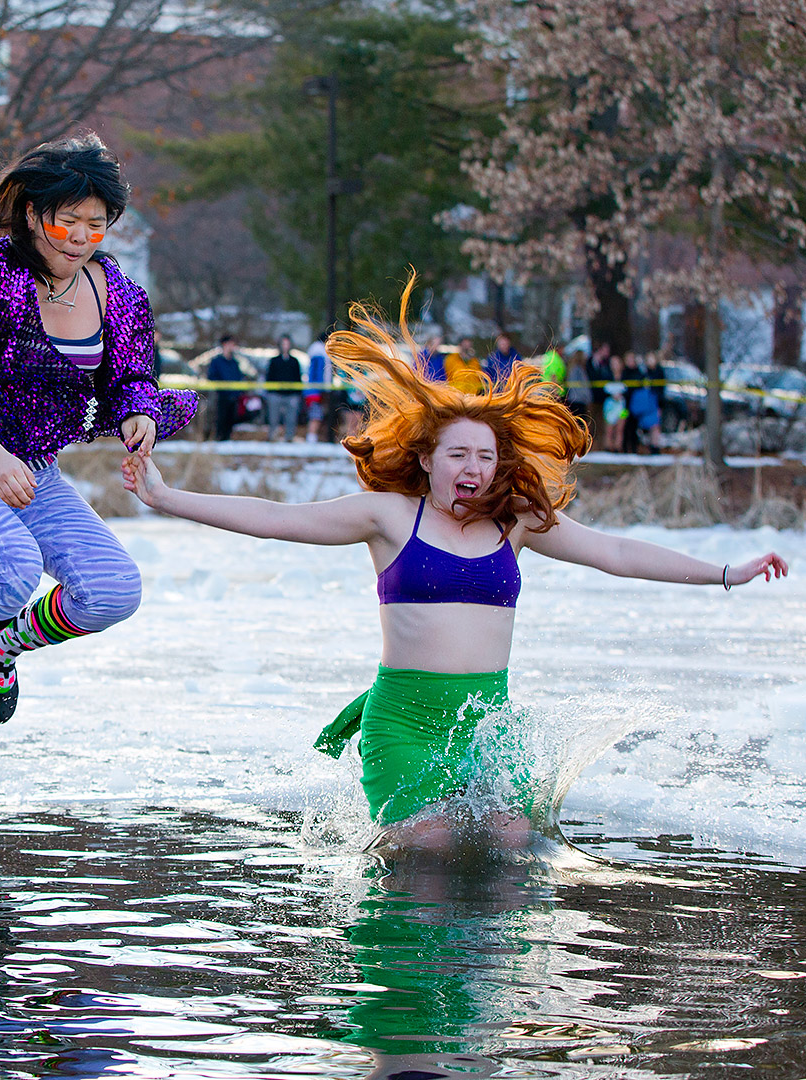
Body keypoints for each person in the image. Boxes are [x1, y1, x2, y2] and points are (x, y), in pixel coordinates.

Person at [121, 280, 786, 853]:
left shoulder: (516, 522)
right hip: (404, 719)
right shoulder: (389, 517)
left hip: (486, 724)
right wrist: (166, 496)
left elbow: (616, 553)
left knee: (512, 839)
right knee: (432, 844)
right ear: (427, 460)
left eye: (485, 457)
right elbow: (276, 518)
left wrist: (726, 573)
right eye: (458, 455)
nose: (473, 468)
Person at [0, 133, 198, 761]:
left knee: (113, 589)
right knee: (13, 564)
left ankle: (2, 646)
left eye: (97, 224)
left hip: (34, 471)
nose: (83, 237)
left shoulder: (120, 293)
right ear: (34, 214)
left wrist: (140, 413)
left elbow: (131, 380)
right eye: (69, 221)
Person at [263, 335, 302, 441]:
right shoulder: (274, 361)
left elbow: (298, 378)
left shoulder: (294, 361)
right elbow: (269, 377)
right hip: (275, 394)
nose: (285, 346)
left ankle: (289, 437)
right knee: (273, 418)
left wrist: (298, 393)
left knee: (291, 418)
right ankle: (272, 436)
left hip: (291, 394)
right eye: (283, 344)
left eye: (287, 344)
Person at [207, 333, 245, 442]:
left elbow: (239, 377)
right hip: (221, 395)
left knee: (230, 419)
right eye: (230, 343)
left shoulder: (234, 362)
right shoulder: (216, 361)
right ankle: (219, 439)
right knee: (220, 419)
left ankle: (227, 439)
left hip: (233, 395)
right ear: (224, 344)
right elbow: (212, 376)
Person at [304, 335, 330, 442]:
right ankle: (311, 438)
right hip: (316, 392)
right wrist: (322, 389)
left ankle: (313, 437)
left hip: (313, 391)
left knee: (316, 416)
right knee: (316, 416)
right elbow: (318, 374)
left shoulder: (315, 352)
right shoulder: (319, 354)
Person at [602, 355, 628, 452]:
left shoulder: (625, 376)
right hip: (609, 406)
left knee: (620, 428)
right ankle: (608, 448)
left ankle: (618, 448)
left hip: (622, 406)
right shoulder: (606, 375)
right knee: (609, 428)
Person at [563, 343, 592, 423]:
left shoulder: (574, 368)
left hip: (576, 399)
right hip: (578, 400)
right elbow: (581, 385)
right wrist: (587, 397)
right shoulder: (577, 370)